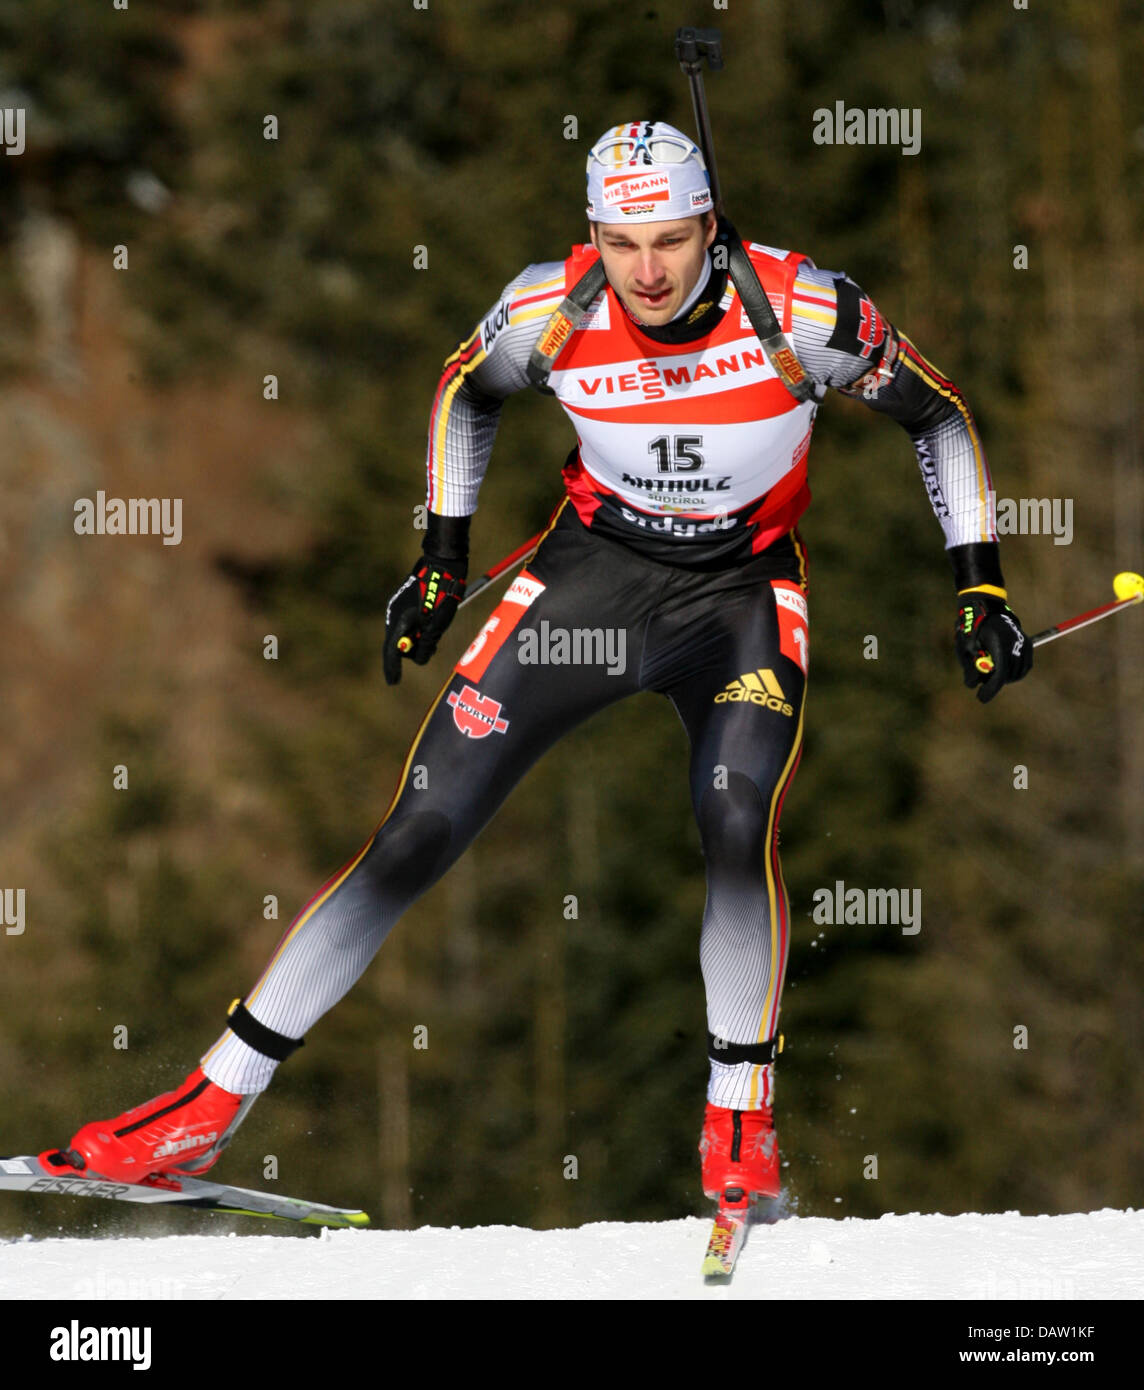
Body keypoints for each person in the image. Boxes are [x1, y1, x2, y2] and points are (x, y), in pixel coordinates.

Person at [49, 121, 1031, 1209]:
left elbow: (936, 418)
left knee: (734, 818)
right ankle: (201, 1110)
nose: (647, 272)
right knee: (416, 830)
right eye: (621, 243)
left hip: (741, 599)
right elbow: (464, 392)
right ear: (593, 236)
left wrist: (978, 584)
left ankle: (739, 1125)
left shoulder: (804, 313)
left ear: (711, 224)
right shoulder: (545, 311)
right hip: (591, 583)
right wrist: (438, 561)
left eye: (670, 239)